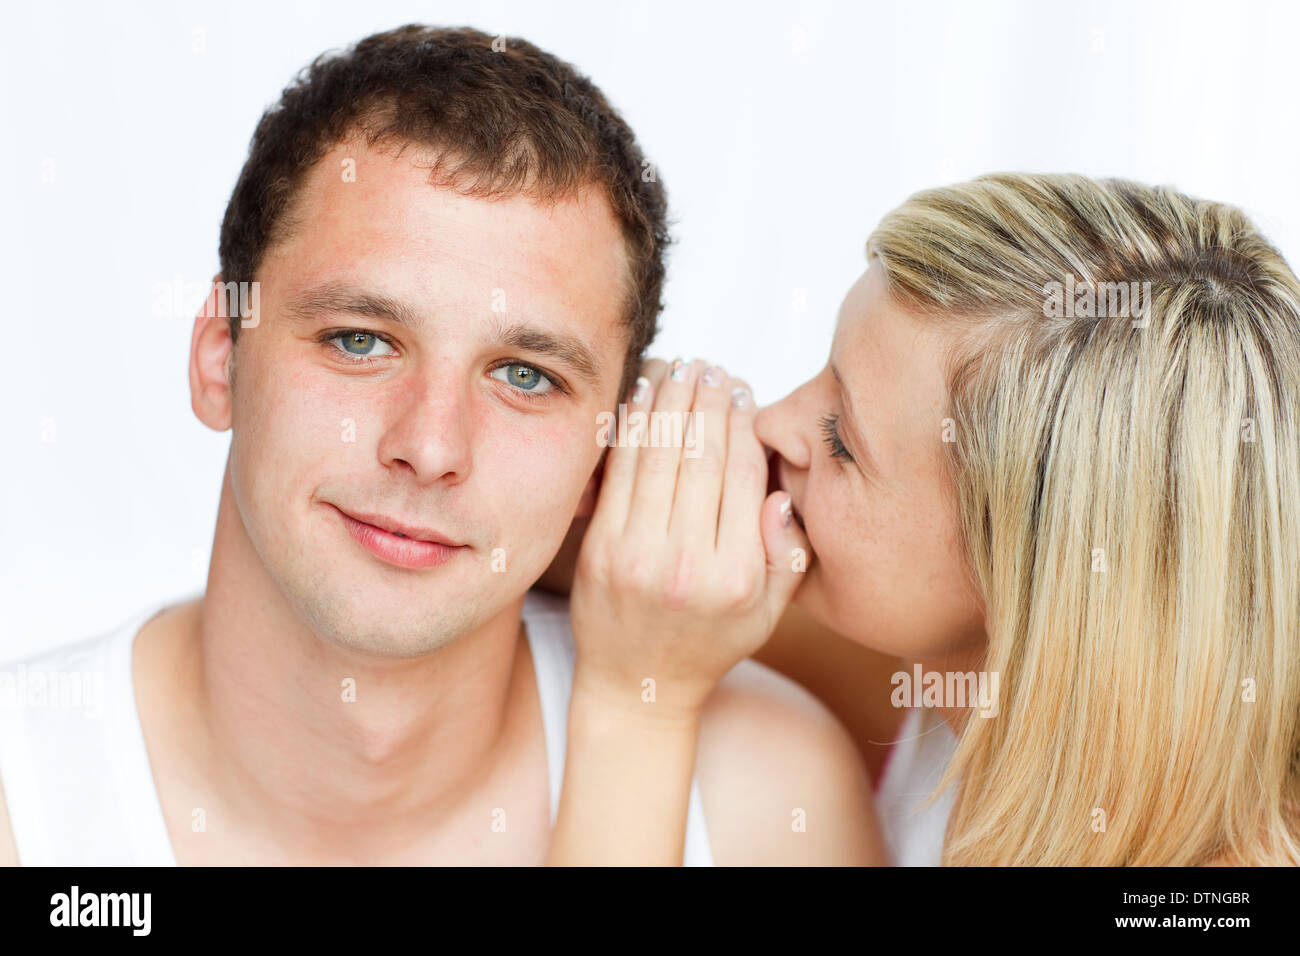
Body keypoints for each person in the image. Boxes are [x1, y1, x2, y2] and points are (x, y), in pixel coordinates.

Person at [0, 24, 885, 866]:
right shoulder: (22, 800)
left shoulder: (767, 807)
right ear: (219, 356)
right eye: (360, 340)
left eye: (526, 376)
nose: (428, 447)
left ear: (603, 454)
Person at [547, 173, 1300, 866]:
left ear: (1023, 574)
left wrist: (634, 702)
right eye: (821, 376)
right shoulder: (926, 674)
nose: (773, 421)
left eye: (841, 440)